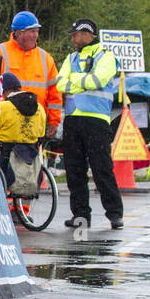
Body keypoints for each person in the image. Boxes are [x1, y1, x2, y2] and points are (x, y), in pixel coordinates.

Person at [55, 18, 124, 230]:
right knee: (74, 170)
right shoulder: (71, 57)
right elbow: (59, 83)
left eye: (75, 34)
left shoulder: (106, 56)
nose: (73, 38)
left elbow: (98, 81)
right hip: (73, 119)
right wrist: (82, 81)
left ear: (87, 35)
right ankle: (80, 215)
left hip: (97, 121)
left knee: (102, 168)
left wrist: (74, 82)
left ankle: (115, 214)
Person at [0, 10, 63, 140]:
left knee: (30, 160)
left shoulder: (46, 58)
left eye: (37, 31)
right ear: (18, 33)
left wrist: (54, 121)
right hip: (5, 125)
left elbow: (54, 93)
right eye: (32, 31)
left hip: (34, 127)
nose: (35, 35)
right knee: (4, 159)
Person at [0, 72, 47, 190]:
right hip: (30, 157)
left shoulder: (3, 107)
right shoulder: (39, 108)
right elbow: (41, 135)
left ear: (4, 91)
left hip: (6, 161)